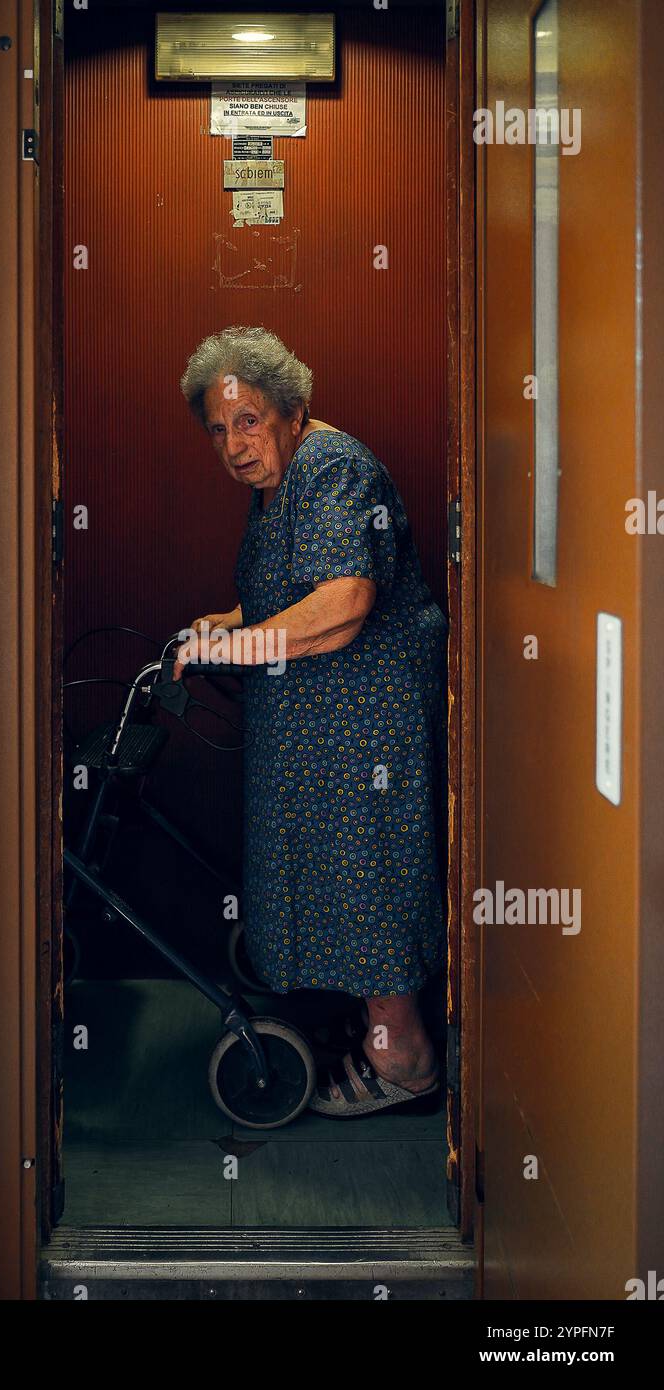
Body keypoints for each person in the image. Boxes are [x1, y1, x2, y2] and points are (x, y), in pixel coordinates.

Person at [176, 326, 448, 1118]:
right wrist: (227, 625)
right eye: (219, 430)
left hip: (366, 726)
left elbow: (344, 603)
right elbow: (288, 595)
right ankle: (375, 1031)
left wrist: (239, 646)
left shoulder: (334, 468)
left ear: (294, 410)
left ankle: (410, 1064)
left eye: (249, 421)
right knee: (341, 875)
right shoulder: (280, 482)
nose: (233, 445)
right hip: (325, 725)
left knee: (369, 876)